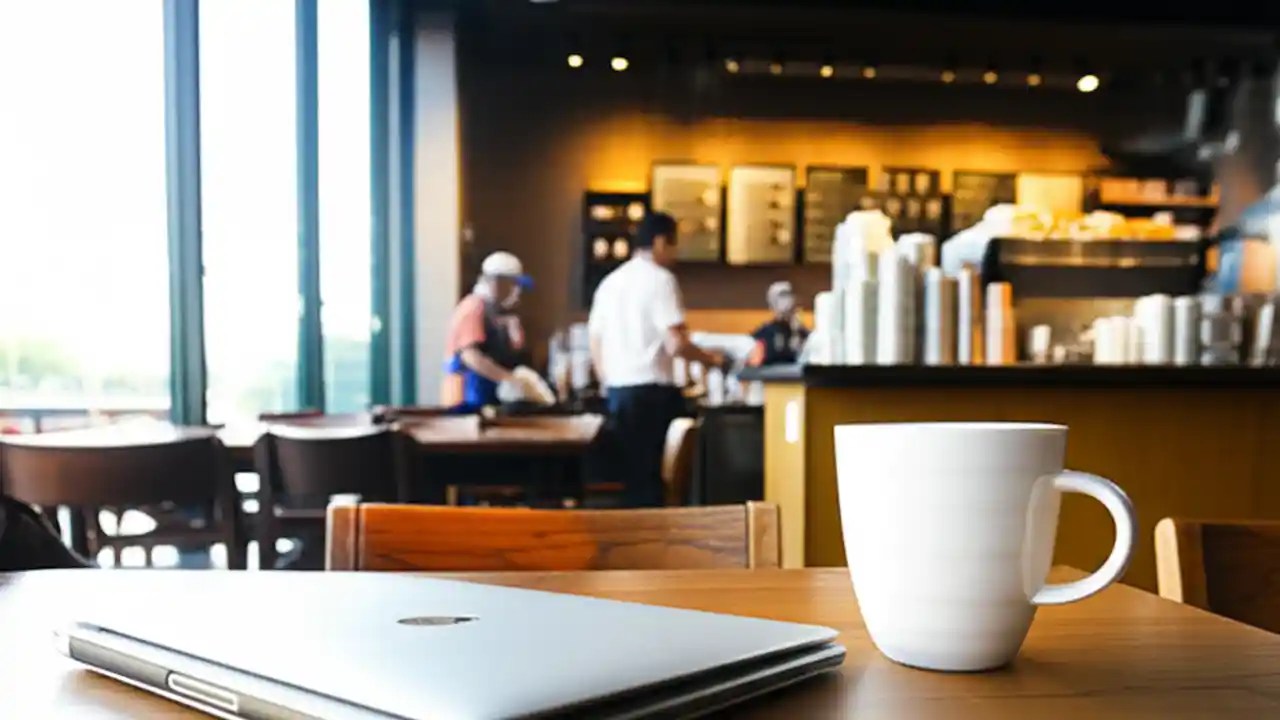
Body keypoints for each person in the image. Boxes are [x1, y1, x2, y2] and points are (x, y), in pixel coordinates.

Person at [588, 212, 724, 507]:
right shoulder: (661, 280)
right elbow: (676, 344)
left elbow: (595, 342)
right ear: (662, 242)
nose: (675, 254)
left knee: (630, 482)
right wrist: (712, 361)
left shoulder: (610, 283)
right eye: (674, 246)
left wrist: (608, 382)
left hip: (617, 393)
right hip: (651, 394)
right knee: (655, 484)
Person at [441, 251, 532, 413]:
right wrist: (508, 380)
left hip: (486, 402)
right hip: (464, 401)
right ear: (496, 282)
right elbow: (471, 357)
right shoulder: (473, 307)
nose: (516, 291)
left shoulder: (496, 314)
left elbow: (515, 351)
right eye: (512, 284)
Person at [746, 281, 809, 366]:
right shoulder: (764, 334)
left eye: (789, 295)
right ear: (771, 303)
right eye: (782, 296)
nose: (787, 301)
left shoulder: (803, 334)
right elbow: (753, 362)